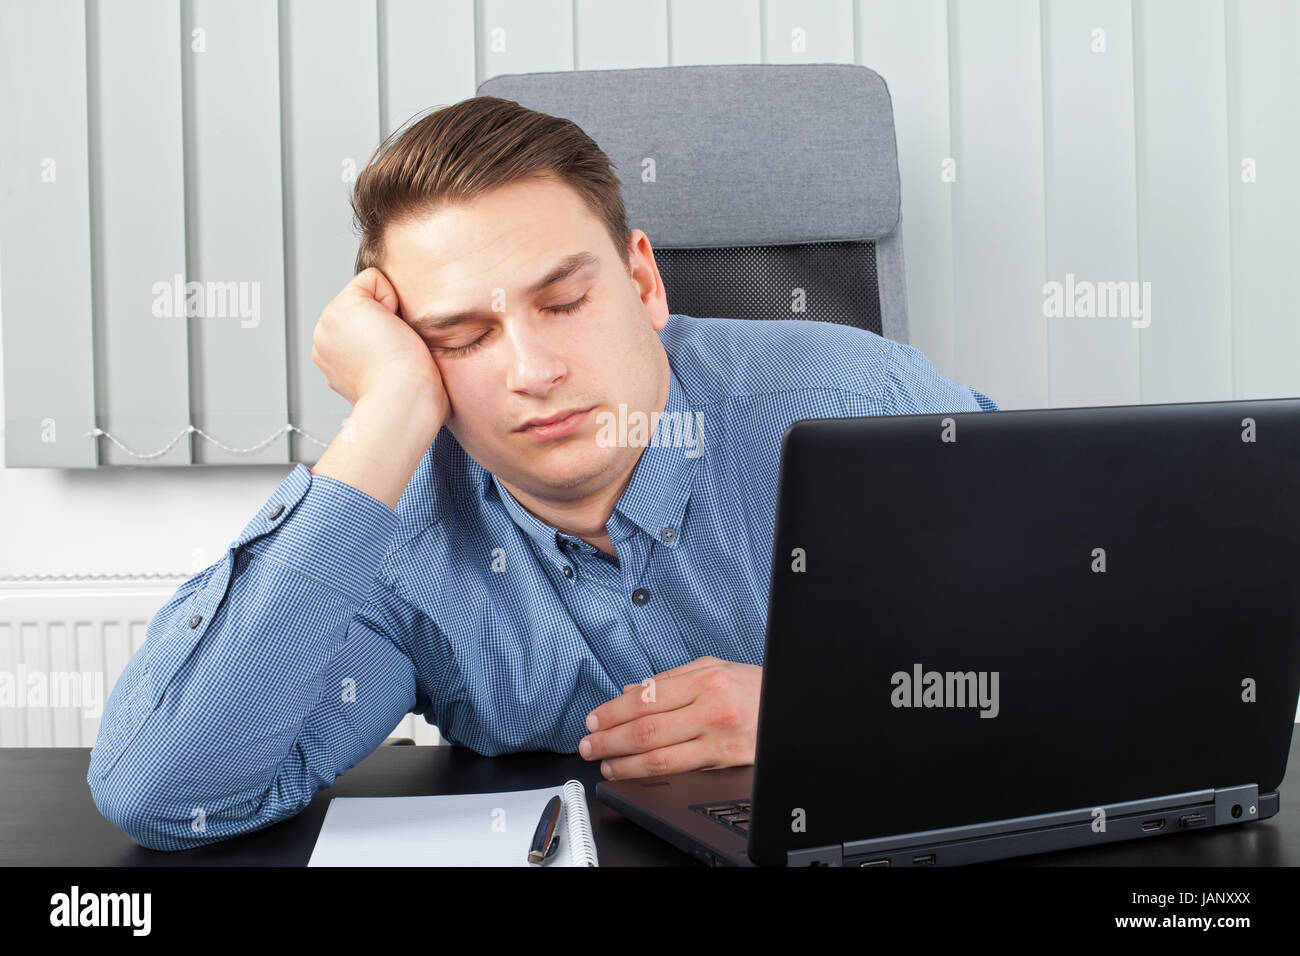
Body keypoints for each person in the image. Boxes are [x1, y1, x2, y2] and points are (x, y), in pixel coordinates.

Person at [89, 96, 999, 850]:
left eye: (563, 302)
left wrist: (830, 709)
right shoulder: (395, 536)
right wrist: (386, 418)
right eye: (462, 337)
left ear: (643, 283)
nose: (532, 370)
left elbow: (1111, 631)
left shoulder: (857, 399)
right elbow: (162, 791)